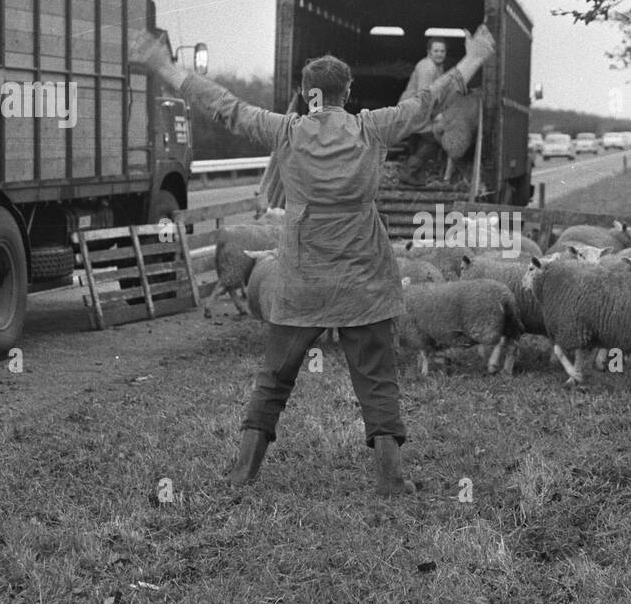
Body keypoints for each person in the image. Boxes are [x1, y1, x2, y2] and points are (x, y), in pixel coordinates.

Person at [129, 24, 496, 496]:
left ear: (306, 95)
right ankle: (391, 480)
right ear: (349, 93)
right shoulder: (373, 127)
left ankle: (243, 473)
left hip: (302, 277)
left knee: (275, 376)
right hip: (364, 278)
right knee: (377, 379)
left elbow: (224, 105)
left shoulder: (285, 131)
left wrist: (164, 66)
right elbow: (434, 99)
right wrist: (476, 56)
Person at [397, 38, 449, 185]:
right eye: (436, 51)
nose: (439, 54)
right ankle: (408, 172)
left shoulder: (437, 66)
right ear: (429, 52)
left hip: (415, 107)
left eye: (442, 51)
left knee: (417, 138)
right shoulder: (428, 68)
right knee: (431, 138)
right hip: (415, 108)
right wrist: (435, 115)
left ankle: (412, 171)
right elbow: (424, 95)